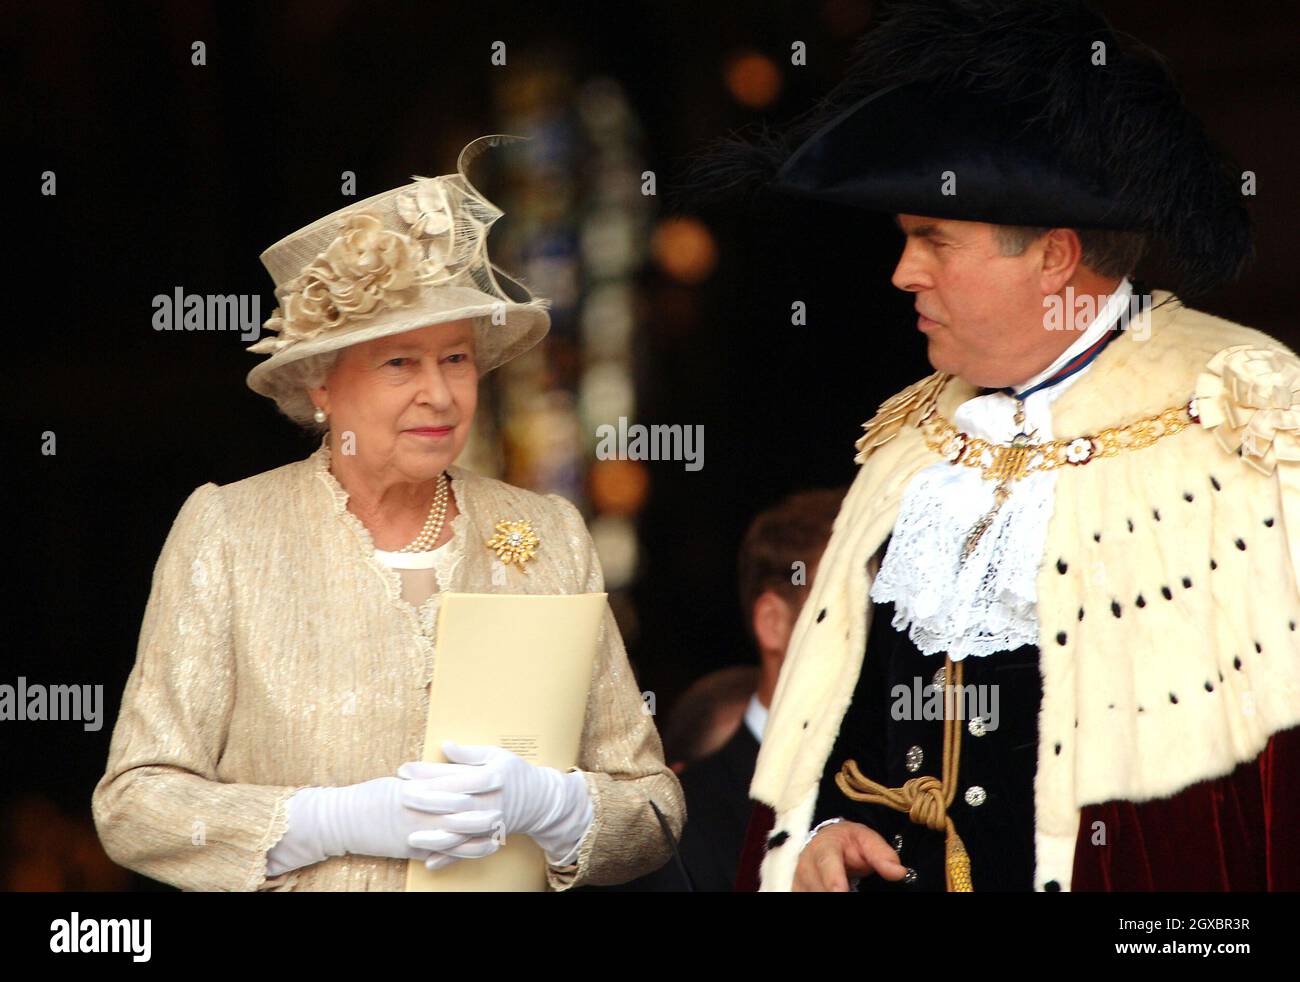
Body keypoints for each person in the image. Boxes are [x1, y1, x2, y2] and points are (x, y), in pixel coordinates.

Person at [691, 0, 1300, 892]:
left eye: (933, 240)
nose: (904, 272)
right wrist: (818, 831)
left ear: (1053, 257)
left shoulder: (1241, 423)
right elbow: (831, 733)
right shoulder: (911, 446)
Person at [91, 136, 684, 892]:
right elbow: (135, 805)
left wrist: (558, 808)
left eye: (457, 359)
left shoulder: (550, 533)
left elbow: (656, 811)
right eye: (399, 361)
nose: (439, 394)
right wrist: (327, 821)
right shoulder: (229, 534)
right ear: (319, 386)